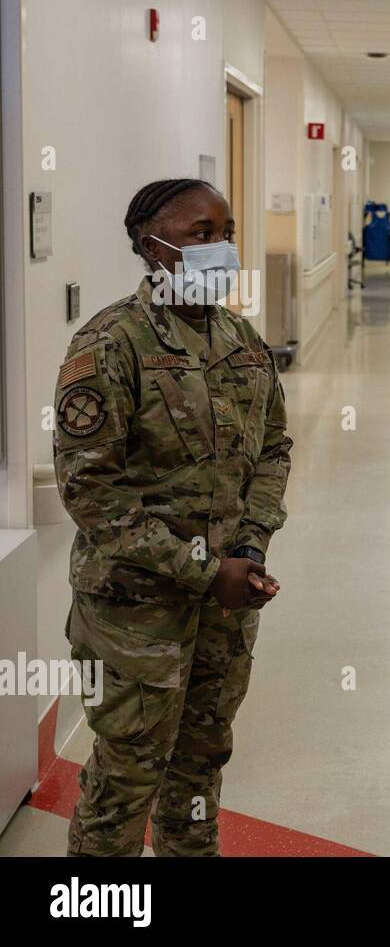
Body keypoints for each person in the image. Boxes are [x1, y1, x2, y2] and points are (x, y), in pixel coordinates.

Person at [55, 178, 292, 856]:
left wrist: (249, 543)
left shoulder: (242, 340)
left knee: (200, 765)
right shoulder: (109, 343)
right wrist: (201, 568)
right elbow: (92, 492)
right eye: (200, 234)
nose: (219, 246)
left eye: (225, 230)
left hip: (225, 604)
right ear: (150, 244)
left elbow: (273, 446)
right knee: (127, 773)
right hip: (137, 611)